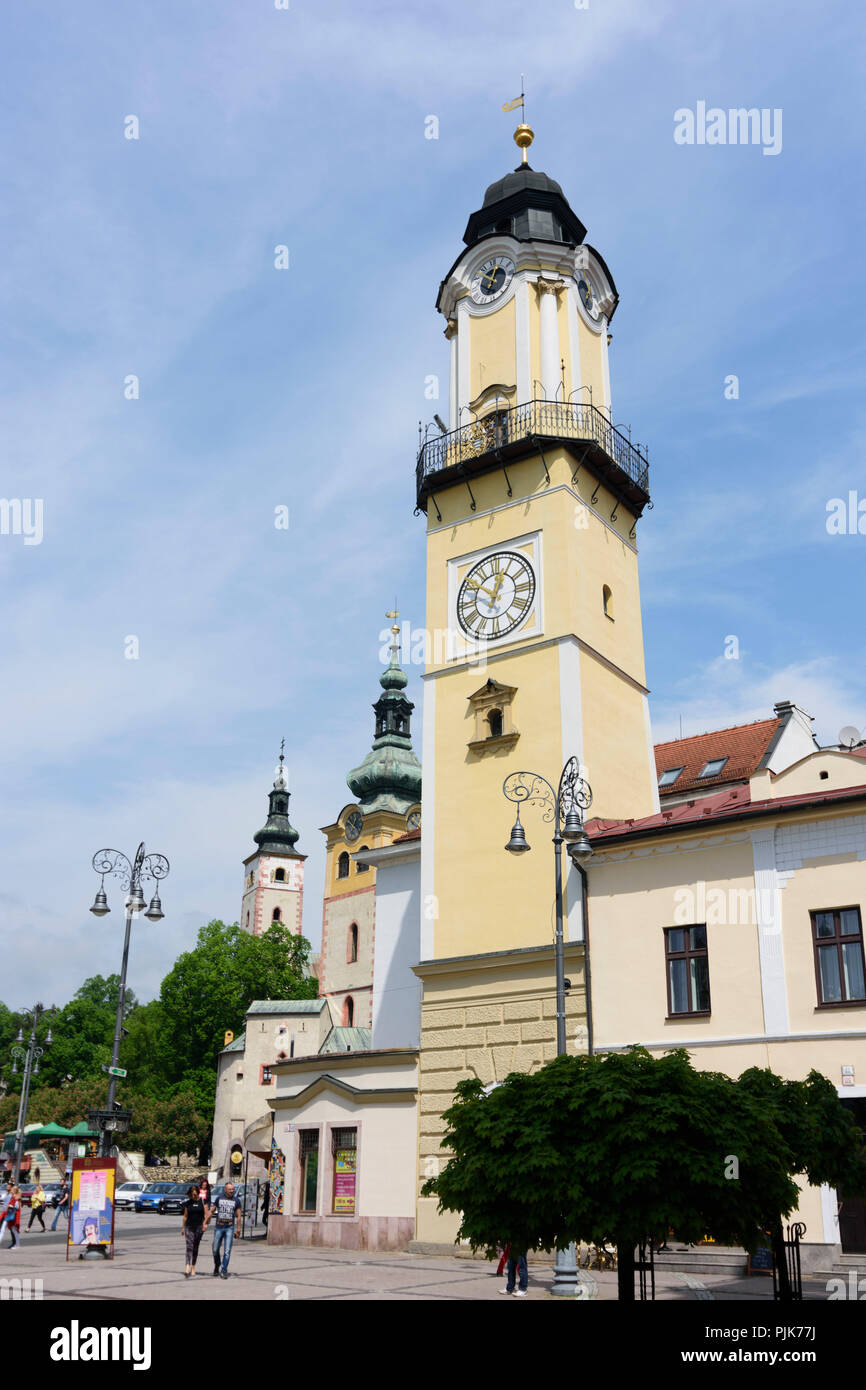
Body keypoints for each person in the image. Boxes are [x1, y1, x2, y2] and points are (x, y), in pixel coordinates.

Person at [204, 1180, 241, 1279]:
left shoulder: (236, 1200)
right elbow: (211, 1211)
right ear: (225, 1190)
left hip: (229, 1228)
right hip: (219, 1227)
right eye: (230, 1189)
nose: (232, 1191)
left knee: (227, 1251)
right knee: (215, 1249)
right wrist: (205, 1222)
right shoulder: (219, 1198)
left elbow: (239, 1216)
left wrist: (238, 1230)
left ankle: (224, 1270)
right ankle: (217, 1265)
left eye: (233, 1189)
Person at [181, 1184, 206, 1277]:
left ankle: (193, 1267)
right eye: (192, 1193)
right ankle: (187, 1267)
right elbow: (185, 1216)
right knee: (189, 1247)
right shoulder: (188, 1203)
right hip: (189, 1227)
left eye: (195, 1193)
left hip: (199, 1227)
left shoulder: (201, 1202)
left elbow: (205, 1216)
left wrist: (204, 1225)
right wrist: (183, 1228)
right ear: (190, 1194)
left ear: (198, 1193)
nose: (194, 1195)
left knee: (195, 1248)